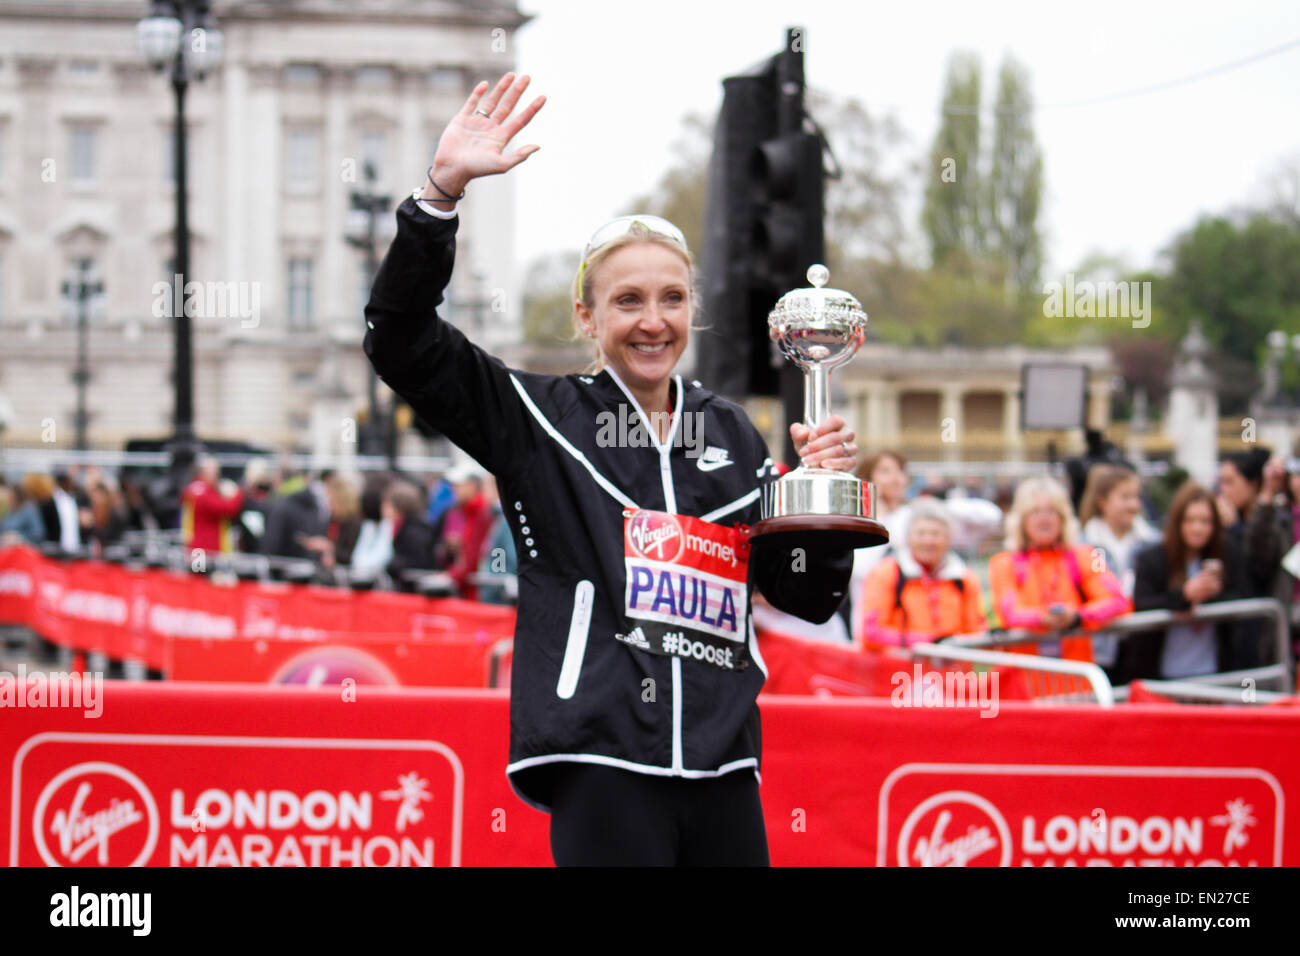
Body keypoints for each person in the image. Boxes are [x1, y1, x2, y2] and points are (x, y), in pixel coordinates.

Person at [363, 72, 857, 866]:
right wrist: (440, 196)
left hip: (723, 761)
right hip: (601, 759)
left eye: (671, 299)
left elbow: (802, 591)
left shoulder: (730, 430)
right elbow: (400, 339)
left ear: (693, 310)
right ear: (588, 319)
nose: (652, 321)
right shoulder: (536, 417)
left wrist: (818, 508)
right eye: (627, 301)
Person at [988, 476, 1130, 661]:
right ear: (1022, 520)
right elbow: (1008, 613)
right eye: (1035, 512)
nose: (1044, 518)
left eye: (1051, 511)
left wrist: (1077, 617)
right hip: (1026, 678)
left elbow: (1117, 601)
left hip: (1077, 677)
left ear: (1063, 517)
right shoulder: (1003, 562)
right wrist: (1042, 618)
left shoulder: (1087, 555)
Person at [1128, 482, 1246, 681]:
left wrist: (1210, 598)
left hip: (1213, 671)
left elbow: (1244, 597)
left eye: (1205, 521)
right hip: (1163, 672)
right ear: (1177, 522)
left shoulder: (1228, 553)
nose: (1197, 529)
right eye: (1190, 520)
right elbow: (1141, 604)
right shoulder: (1152, 559)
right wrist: (1183, 596)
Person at [856, 498, 987, 650]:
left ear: (949, 538)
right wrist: (930, 642)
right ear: (908, 537)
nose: (928, 541)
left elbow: (975, 631)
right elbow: (870, 633)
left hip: (950, 671)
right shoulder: (886, 573)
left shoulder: (963, 579)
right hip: (899, 670)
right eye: (921, 533)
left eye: (935, 534)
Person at [1078, 463, 1159, 676]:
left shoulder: (1152, 542)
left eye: (1136, 497)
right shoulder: (1084, 545)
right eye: (1125, 497)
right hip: (1100, 649)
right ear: (1103, 502)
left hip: (1142, 644)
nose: (1133, 505)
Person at [1217, 449, 1292, 669]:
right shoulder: (1222, 523)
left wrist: (1233, 529)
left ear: (1253, 483)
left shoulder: (1278, 521)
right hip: (1231, 636)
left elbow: (1258, 564)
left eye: (1230, 482)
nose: (1223, 490)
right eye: (1221, 482)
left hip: (1265, 635)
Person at [848, 450, 912, 642]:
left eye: (900, 471)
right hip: (869, 630)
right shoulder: (857, 522)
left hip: (911, 628)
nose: (895, 478)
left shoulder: (914, 516)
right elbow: (860, 569)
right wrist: (880, 516)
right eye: (885, 471)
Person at [181, 455, 244, 555]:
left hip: (199, 547)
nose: (217, 476)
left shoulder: (194, 489)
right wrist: (238, 493)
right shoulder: (202, 492)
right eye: (215, 472)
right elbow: (228, 508)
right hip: (205, 549)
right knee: (199, 570)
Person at [383, 481, 438, 584]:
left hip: (414, 585)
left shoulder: (415, 530)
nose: (384, 508)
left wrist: (392, 566)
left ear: (399, 507)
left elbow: (418, 560)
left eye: (388, 504)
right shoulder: (402, 526)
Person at [0, 475, 49, 545]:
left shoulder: (29, 510)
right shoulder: (9, 512)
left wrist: (19, 538)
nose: (8, 499)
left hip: (24, 549)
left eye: (10, 496)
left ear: (16, 496)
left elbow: (39, 534)